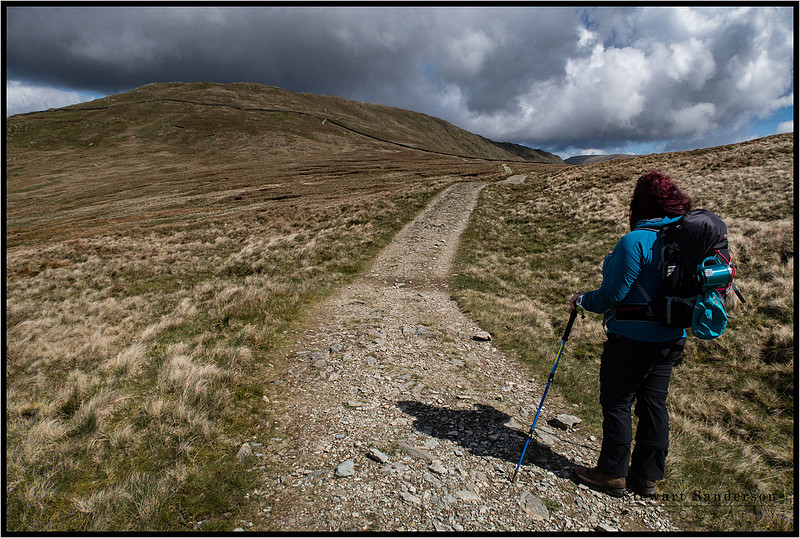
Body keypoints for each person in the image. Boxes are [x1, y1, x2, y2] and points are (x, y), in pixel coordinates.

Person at [569, 170, 691, 498]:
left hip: (630, 340)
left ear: (640, 205)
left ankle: (611, 473)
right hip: (671, 338)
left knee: (618, 401)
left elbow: (612, 296)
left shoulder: (635, 241)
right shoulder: (686, 239)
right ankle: (646, 477)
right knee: (654, 403)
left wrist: (581, 300)